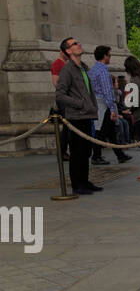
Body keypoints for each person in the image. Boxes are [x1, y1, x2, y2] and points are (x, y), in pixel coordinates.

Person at [54, 37, 101, 194]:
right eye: (74, 44)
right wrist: (80, 103)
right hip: (76, 117)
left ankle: (84, 181)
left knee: (86, 151)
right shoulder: (67, 70)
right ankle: (77, 185)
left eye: (78, 42)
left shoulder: (83, 68)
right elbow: (60, 95)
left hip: (87, 115)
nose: (79, 44)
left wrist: (92, 106)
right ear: (68, 50)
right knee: (77, 152)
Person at [89, 45, 133, 166]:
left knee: (110, 131)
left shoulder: (92, 70)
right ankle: (96, 156)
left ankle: (119, 155)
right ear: (104, 56)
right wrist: (112, 108)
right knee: (101, 132)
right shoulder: (103, 71)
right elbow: (107, 90)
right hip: (104, 104)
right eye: (109, 55)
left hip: (96, 102)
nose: (110, 57)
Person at [50, 39, 71, 161]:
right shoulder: (58, 64)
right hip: (64, 99)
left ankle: (63, 150)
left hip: (68, 98)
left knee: (69, 126)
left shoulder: (66, 64)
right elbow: (56, 83)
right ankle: (62, 151)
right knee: (67, 126)